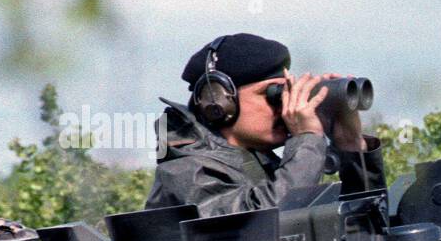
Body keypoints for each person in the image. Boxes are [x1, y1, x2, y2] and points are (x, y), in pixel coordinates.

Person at [145, 33, 384, 217]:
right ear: (218, 101)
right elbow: (257, 230)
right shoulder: (187, 171)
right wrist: (308, 138)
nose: (284, 104)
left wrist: (351, 145)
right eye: (271, 94)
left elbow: (362, 233)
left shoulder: (257, 162)